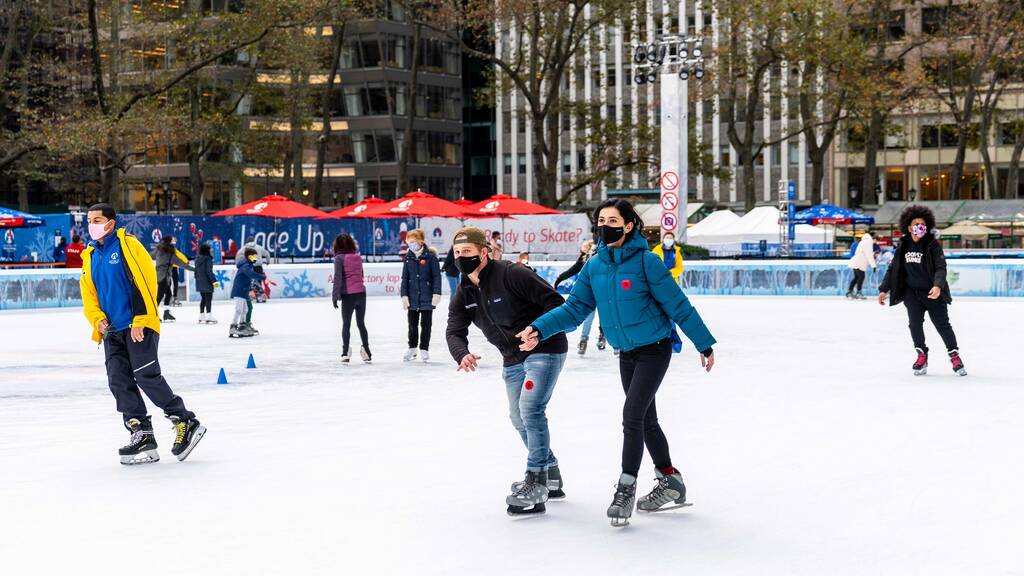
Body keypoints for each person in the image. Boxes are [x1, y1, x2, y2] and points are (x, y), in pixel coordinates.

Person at [516, 198, 717, 527]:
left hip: (655, 348)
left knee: (632, 415)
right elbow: (574, 309)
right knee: (646, 420)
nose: (604, 226)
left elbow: (678, 305)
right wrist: (539, 329)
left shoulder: (647, 263)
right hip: (626, 352)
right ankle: (670, 479)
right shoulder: (594, 266)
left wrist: (704, 342)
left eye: (611, 220)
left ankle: (625, 487)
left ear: (628, 226)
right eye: (600, 220)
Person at [445, 227, 569, 516]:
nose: (461, 257)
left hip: (544, 348)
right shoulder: (464, 292)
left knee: (530, 409)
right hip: (511, 358)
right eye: (457, 253)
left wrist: (538, 330)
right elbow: (454, 329)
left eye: (467, 252)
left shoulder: (513, 273)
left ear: (483, 253)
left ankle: (536, 480)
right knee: (517, 416)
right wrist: (461, 354)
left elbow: (556, 302)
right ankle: (551, 472)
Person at [80, 203, 206, 465]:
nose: (92, 224)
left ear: (111, 223)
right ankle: (142, 434)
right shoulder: (90, 256)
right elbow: (89, 296)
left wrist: (141, 319)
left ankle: (186, 420)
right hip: (112, 330)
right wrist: (97, 320)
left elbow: (145, 282)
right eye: (89, 220)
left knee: (146, 376)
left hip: (138, 325)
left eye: (98, 219)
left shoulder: (128, 245)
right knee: (118, 380)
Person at [878, 205, 966, 376]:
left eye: (923, 224)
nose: (920, 227)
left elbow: (941, 267)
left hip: (933, 292)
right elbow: (893, 269)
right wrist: (883, 289)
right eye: (916, 224)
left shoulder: (932, 244)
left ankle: (954, 355)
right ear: (909, 227)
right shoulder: (903, 244)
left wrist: (937, 285)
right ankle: (921, 355)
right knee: (915, 324)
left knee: (942, 325)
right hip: (912, 293)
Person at [555, 238, 605, 355]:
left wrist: (558, 279)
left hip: (590, 292)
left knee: (588, 318)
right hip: (602, 291)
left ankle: (584, 340)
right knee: (604, 316)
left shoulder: (585, 258)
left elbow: (572, 270)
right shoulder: (602, 256)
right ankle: (602, 338)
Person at [400, 229, 442, 362]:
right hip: (412, 298)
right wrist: (404, 296)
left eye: (412, 242)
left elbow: (437, 277)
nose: (410, 245)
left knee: (426, 325)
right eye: (408, 242)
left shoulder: (430, 257)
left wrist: (436, 293)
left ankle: (424, 348)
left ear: (420, 241)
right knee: (412, 325)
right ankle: (412, 348)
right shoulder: (408, 258)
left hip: (427, 297)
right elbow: (405, 279)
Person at [332, 233, 371, 363]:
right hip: (361, 294)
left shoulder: (339, 259)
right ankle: (367, 351)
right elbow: (361, 275)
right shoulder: (357, 257)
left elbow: (337, 278)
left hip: (348, 296)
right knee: (361, 324)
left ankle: (345, 353)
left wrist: (335, 296)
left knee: (346, 325)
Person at [152, 236, 192, 323]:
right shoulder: (170, 253)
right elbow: (182, 263)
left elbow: (150, 255)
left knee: (168, 294)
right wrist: (193, 269)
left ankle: (166, 313)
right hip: (164, 277)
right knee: (159, 297)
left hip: (159, 275)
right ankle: (153, 315)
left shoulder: (159, 250)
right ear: (170, 242)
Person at [230, 247, 265, 338]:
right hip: (239, 290)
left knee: (245, 310)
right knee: (239, 310)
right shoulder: (245, 265)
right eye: (254, 256)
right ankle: (233, 327)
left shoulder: (248, 264)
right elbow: (251, 274)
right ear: (250, 256)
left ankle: (242, 326)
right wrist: (264, 277)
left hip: (244, 290)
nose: (256, 258)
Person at [846, 232, 876, 300]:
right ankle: (858, 293)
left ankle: (849, 292)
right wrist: (873, 265)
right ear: (872, 238)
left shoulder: (863, 241)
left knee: (856, 277)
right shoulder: (868, 242)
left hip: (856, 261)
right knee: (861, 277)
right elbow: (869, 255)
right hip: (860, 262)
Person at [194, 243, 219, 324]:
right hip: (207, 281)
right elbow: (209, 272)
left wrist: (197, 279)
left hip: (200, 281)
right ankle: (209, 315)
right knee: (208, 299)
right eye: (209, 249)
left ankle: (201, 315)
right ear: (207, 250)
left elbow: (196, 271)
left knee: (203, 299)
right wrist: (214, 282)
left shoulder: (197, 259)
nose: (211, 250)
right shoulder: (208, 259)